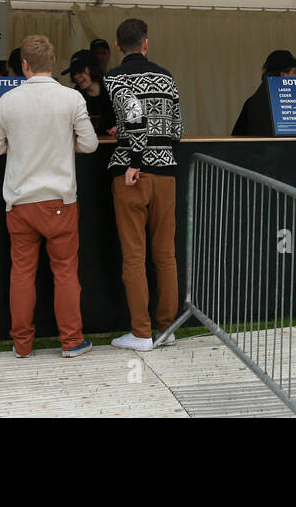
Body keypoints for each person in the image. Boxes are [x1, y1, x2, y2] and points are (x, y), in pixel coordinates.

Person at [0, 35, 97, 359]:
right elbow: (88, 145)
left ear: (24, 65)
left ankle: (22, 345)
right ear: (52, 61)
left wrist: (16, 147)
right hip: (60, 202)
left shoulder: (7, 101)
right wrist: (66, 145)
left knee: (21, 273)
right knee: (65, 272)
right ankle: (72, 342)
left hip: (20, 202)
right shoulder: (72, 99)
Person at [103, 18, 183, 351]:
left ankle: (141, 333)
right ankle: (166, 329)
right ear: (146, 44)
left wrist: (135, 158)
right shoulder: (167, 78)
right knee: (165, 255)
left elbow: (134, 112)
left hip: (132, 173)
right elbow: (177, 129)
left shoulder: (115, 77)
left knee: (134, 257)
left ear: (119, 46)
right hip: (166, 173)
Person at [231, 49, 296, 137]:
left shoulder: (251, 102)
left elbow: (236, 137)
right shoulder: (293, 104)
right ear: (283, 75)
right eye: (294, 72)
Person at [61, 48, 116, 136]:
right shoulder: (76, 95)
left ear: (92, 68)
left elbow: (133, 115)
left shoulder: (113, 88)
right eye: (74, 73)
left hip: (114, 146)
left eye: (79, 71)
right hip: (86, 148)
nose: (76, 77)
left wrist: (119, 127)